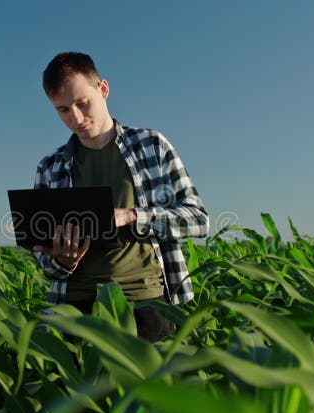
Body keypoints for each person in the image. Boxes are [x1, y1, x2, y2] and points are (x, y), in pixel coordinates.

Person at [33, 52, 209, 341]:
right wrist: (62, 260)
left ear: (103, 89)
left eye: (82, 103)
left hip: (146, 302)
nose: (75, 118)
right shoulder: (49, 167)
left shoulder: (152, 146)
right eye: (63, 110)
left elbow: (198, 219)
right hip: (76, 307)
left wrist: (133, 216)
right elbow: (41, 253)